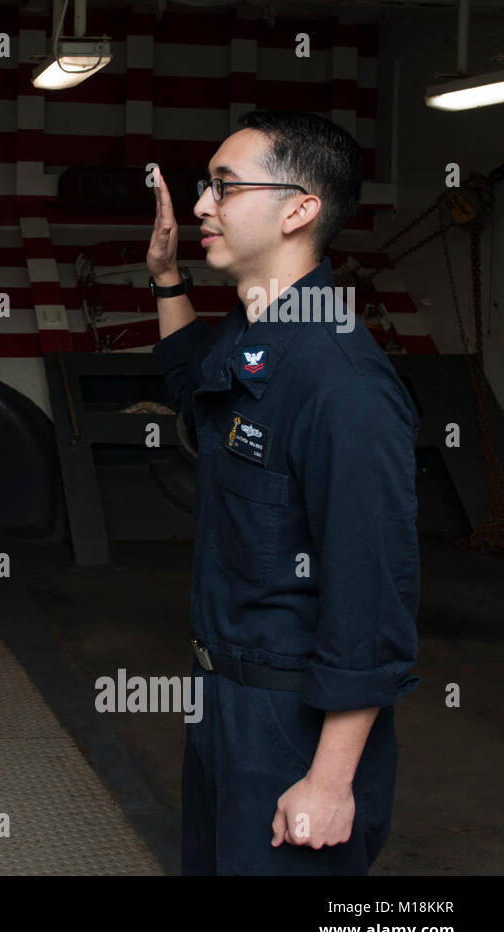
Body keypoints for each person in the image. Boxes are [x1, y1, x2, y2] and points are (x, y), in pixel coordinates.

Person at [147, 110, 420, 874]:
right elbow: (189, 378)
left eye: (224, 187)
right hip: (221, 707)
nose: (202, 204)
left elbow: (370, 599)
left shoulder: (344, 386)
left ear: (299, 210)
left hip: (290, 725)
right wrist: (167, 276)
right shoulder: (252, 334)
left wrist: (330, 782)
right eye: (206, 186)